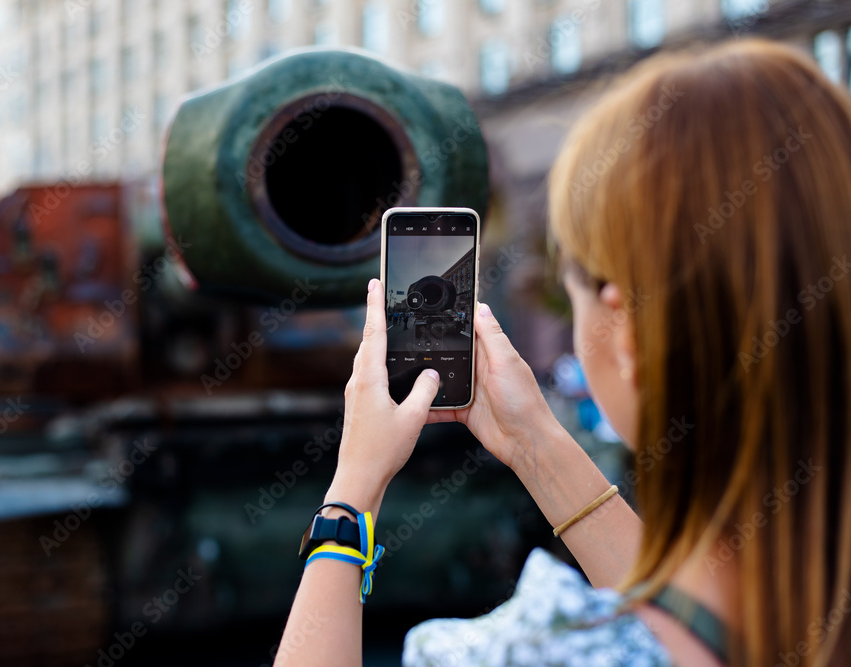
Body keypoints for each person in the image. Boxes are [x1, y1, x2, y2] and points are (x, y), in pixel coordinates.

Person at [275, 38, 851, 666]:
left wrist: (349, 498)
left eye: (570, 283)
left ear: (625, 328)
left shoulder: (527, 653)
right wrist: (532, 442)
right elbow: (670, 620)